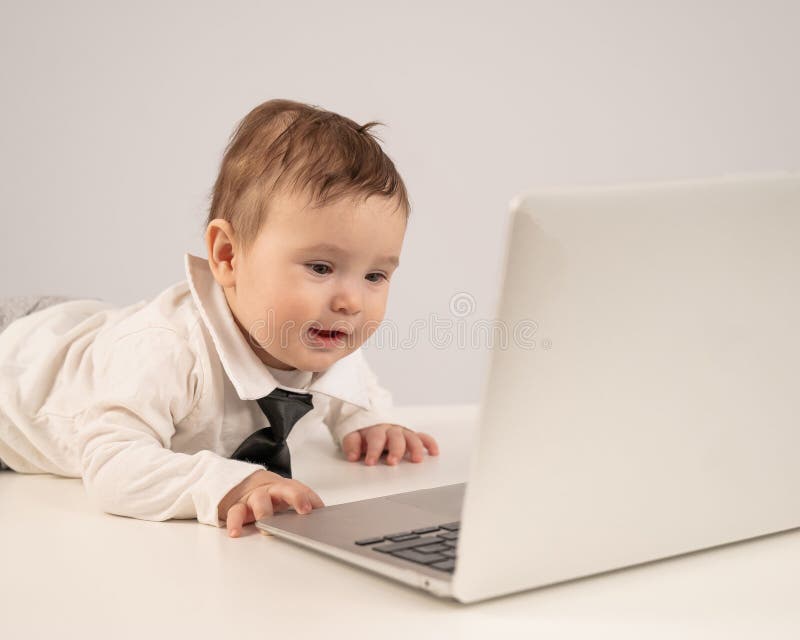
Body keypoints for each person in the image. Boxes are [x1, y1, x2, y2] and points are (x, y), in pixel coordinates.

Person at [0, 98, 439, 538]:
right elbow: (111, 464)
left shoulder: (320, 338)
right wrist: (230, 484)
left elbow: (350, 384)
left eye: (375, 275)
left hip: (90, 331)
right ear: (227, 256)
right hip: (20, 366)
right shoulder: (166, 351)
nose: (351, 302)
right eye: (321, 268)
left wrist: (368, 423)